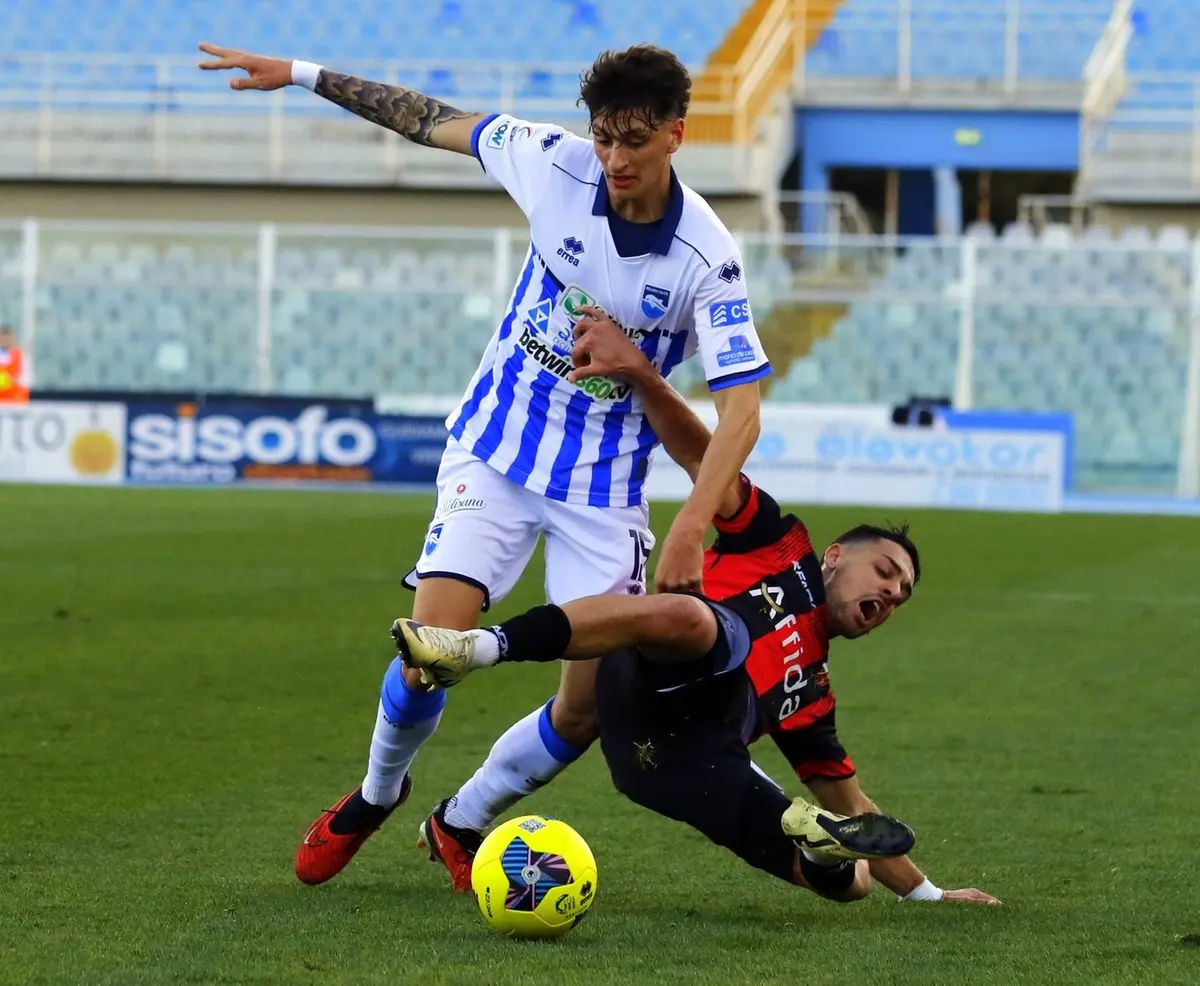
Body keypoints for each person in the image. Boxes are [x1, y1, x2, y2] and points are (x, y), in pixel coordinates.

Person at [198, 43, 771, 886]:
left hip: (602, 485)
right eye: (604, 137)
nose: (613, 158)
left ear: (676, 136)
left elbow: (743, 413)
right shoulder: (551, 163)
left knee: (582, 711)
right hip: (499, 448)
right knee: (430, 649)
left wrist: (689, 525)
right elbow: (428, 117)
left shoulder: (705, 258)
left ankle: (459, 822)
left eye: (634, 142)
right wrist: (302, 74)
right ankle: (375, 793)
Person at [394, 315, 1002, 905]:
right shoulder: (779, 542)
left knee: (849, 884)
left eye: (901, 597)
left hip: (672, 761)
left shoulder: (811, 694)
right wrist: (642, 374)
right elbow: (702, 455)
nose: (891, 595)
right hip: (653, 668)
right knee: (698, 623)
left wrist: (929, 893)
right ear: (836, 555)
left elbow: (854, 803)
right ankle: (475, 648)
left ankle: (817, 848)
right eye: (887, 573)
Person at [0, 326, 31, 403]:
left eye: (8, 338)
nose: (5, 341)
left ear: (13, 339)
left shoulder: (21, 356)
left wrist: (13, 380)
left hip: (15, 400)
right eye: (3, 338)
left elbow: (27, 379)